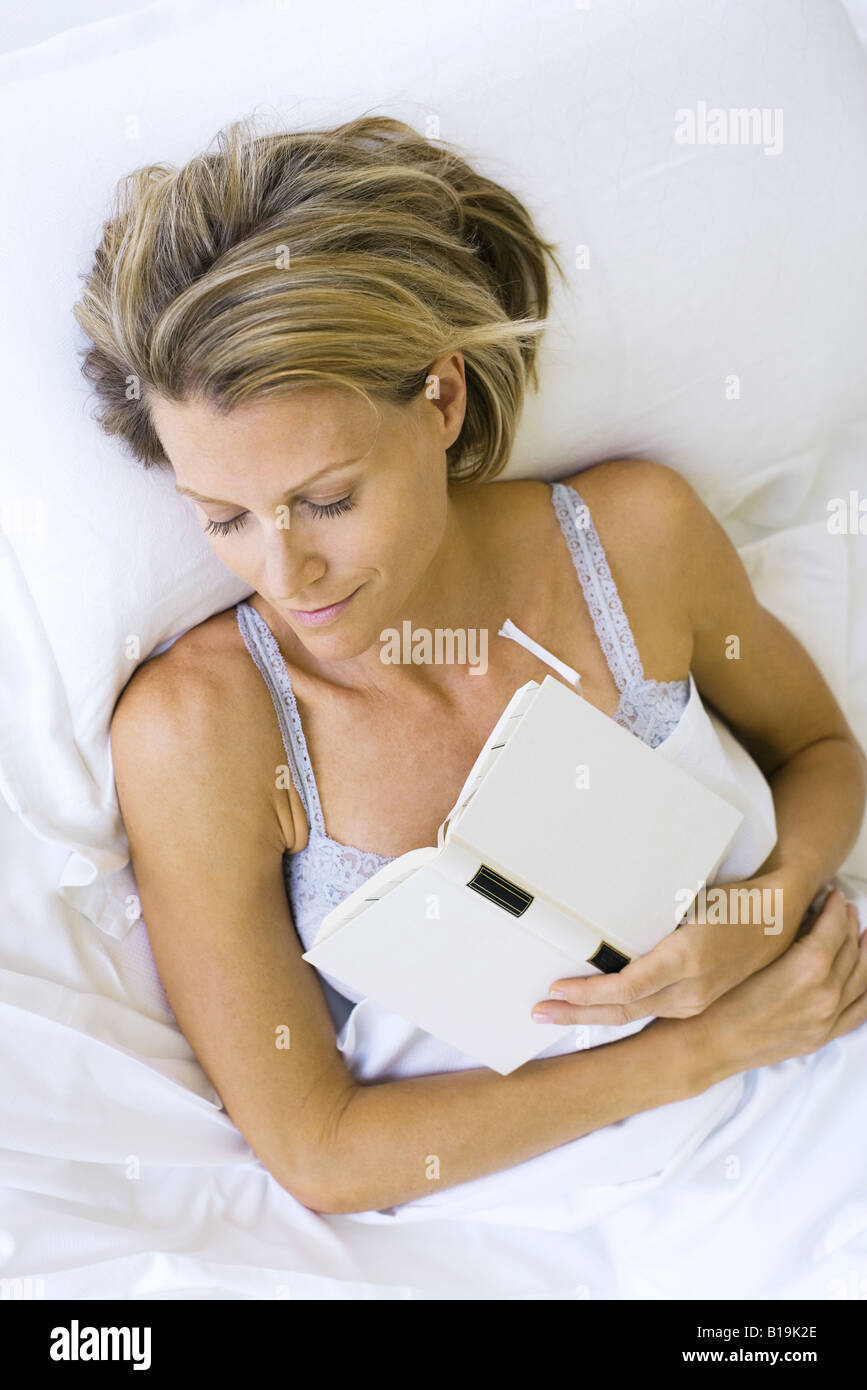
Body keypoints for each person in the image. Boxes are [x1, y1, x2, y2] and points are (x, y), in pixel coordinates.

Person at [73, 113, 867, 1220]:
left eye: (328, 500)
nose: (286, 569)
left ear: (441, 399)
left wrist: (762, 913)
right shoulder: (206, 732)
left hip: (818, 1073)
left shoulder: (631, 540)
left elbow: (825, 754)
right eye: (223, 519)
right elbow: (321, 1148)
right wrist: (703, 1047)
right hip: (536, 1218)